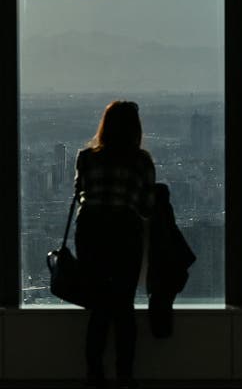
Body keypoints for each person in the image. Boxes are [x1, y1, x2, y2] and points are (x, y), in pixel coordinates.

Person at [74, 101, 155, 389]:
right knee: (123, 308)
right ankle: (124, 374)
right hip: (124, 233)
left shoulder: (86, 157)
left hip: (91, 233)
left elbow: (80, 194)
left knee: (99, 306)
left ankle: (94, 373)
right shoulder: (141, 161)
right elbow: (146, 207)